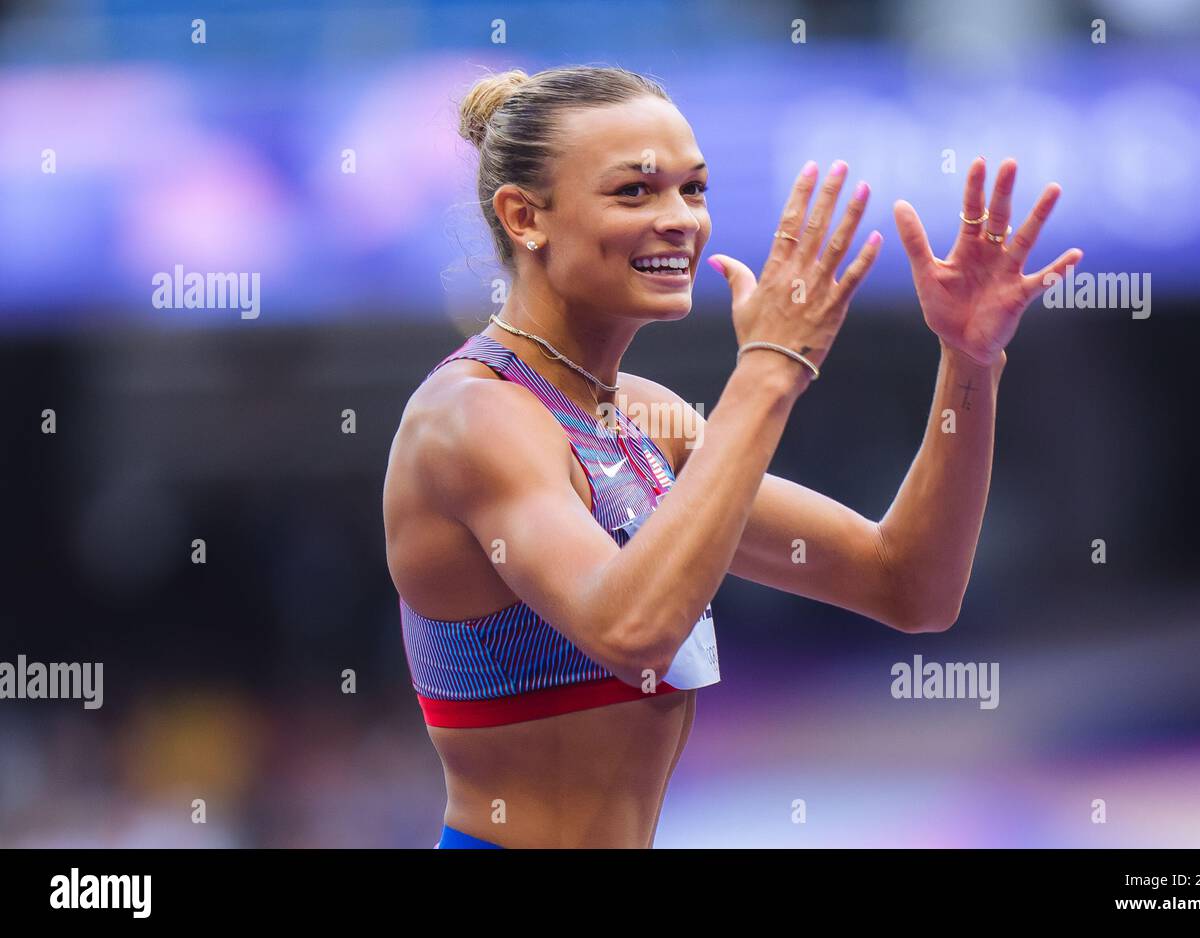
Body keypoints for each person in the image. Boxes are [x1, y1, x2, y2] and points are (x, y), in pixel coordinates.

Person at [382, 65, 1081, 848]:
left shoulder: (644, 416)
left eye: (694, 190)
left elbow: (910, 585)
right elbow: (631, 629)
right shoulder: (473, 417)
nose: (680, 218)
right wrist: (770, 370)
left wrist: (969, 362)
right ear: (524, 217)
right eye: (634, 193)